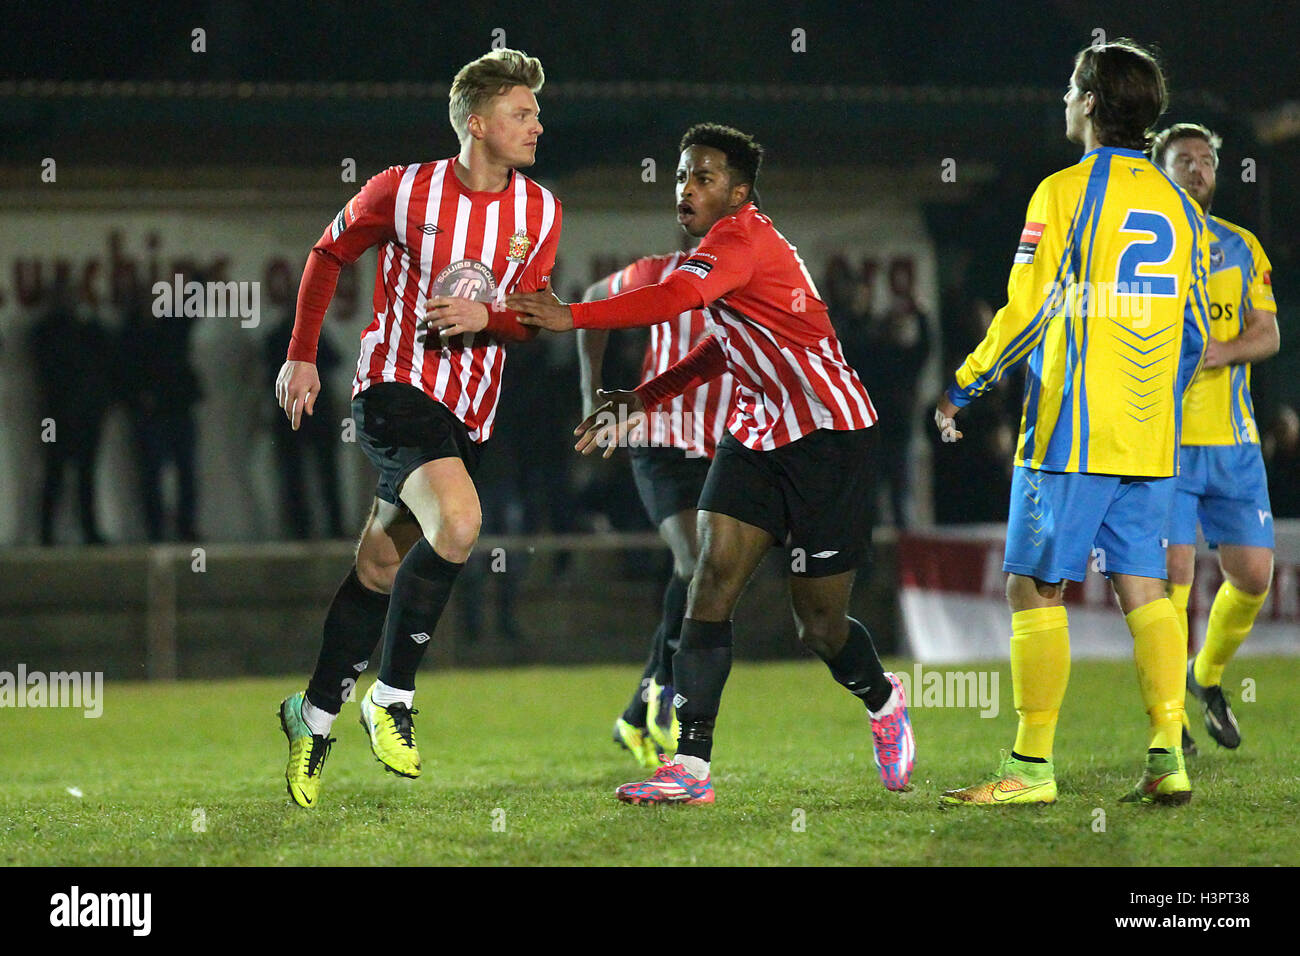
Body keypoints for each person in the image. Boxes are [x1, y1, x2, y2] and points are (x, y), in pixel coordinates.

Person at [510, 123, 915, 805]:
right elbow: (724, 348)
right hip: (756, 432)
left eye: (702, 176)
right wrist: (642, 395)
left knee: (818, 626)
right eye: (680, 176)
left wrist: (570, 315)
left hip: (828, 437)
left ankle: (883, 700)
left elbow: (672, 303)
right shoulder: (718, 251)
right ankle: (691, 766)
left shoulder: (743, 241)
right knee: (709, 581)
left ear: (739, 191)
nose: (686, 188)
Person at [274, 48, 560, 808]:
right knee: (461, 522)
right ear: (477, 123)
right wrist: (302, 356)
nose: (538, 124)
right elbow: (328, 252)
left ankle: (312, 714)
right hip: (396, 390)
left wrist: (490, 316)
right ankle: (390, 698)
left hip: (471, 409)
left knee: (378, 567)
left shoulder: (541, 210)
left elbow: (533, 319)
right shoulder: (402, 190)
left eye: (535, 112)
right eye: (521, 113)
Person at [934, 39, 1211, 806]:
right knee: (1144, 588)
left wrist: (965, 385)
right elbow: (1194, 333)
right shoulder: (1180, 208)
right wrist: (1154, 397)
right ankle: (1167, 754)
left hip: (1072, 432)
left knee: (1032, 587)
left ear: (1090, 103)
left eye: (1069, 88)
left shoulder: (1063, 192)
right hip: (1149, 436)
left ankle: (1029, 769)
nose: (1062, 100)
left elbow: (1029, 310)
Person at [576, 249, 736, 770]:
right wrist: (590, 393)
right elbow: (593, 301)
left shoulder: (755, 278)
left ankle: (640, 709)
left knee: (707, 573)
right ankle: (661, 697)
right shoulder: (662, 271)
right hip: (661, 440)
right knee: (696, 564)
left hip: (724, 445)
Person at [1151, 123, 1280, 753]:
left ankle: (1207, 677)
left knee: (1254, 575)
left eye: (1206, 161)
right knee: (1173, 575)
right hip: (1166, 443)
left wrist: (1219, 351)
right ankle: (1170, 714)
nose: (1198, 170)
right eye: (1184, 161)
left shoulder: (1241, 245)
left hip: (1232, 443)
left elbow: (1270, 334)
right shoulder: (1144, 251)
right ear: (1160, 170)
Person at [30, 279, 116, 545]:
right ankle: (47, 531)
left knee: (83, 474)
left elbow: (105, 359)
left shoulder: (85, 330)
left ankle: (86, 529)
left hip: (80, 413)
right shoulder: (45, 332)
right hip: (56, 414)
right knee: (55, 473)